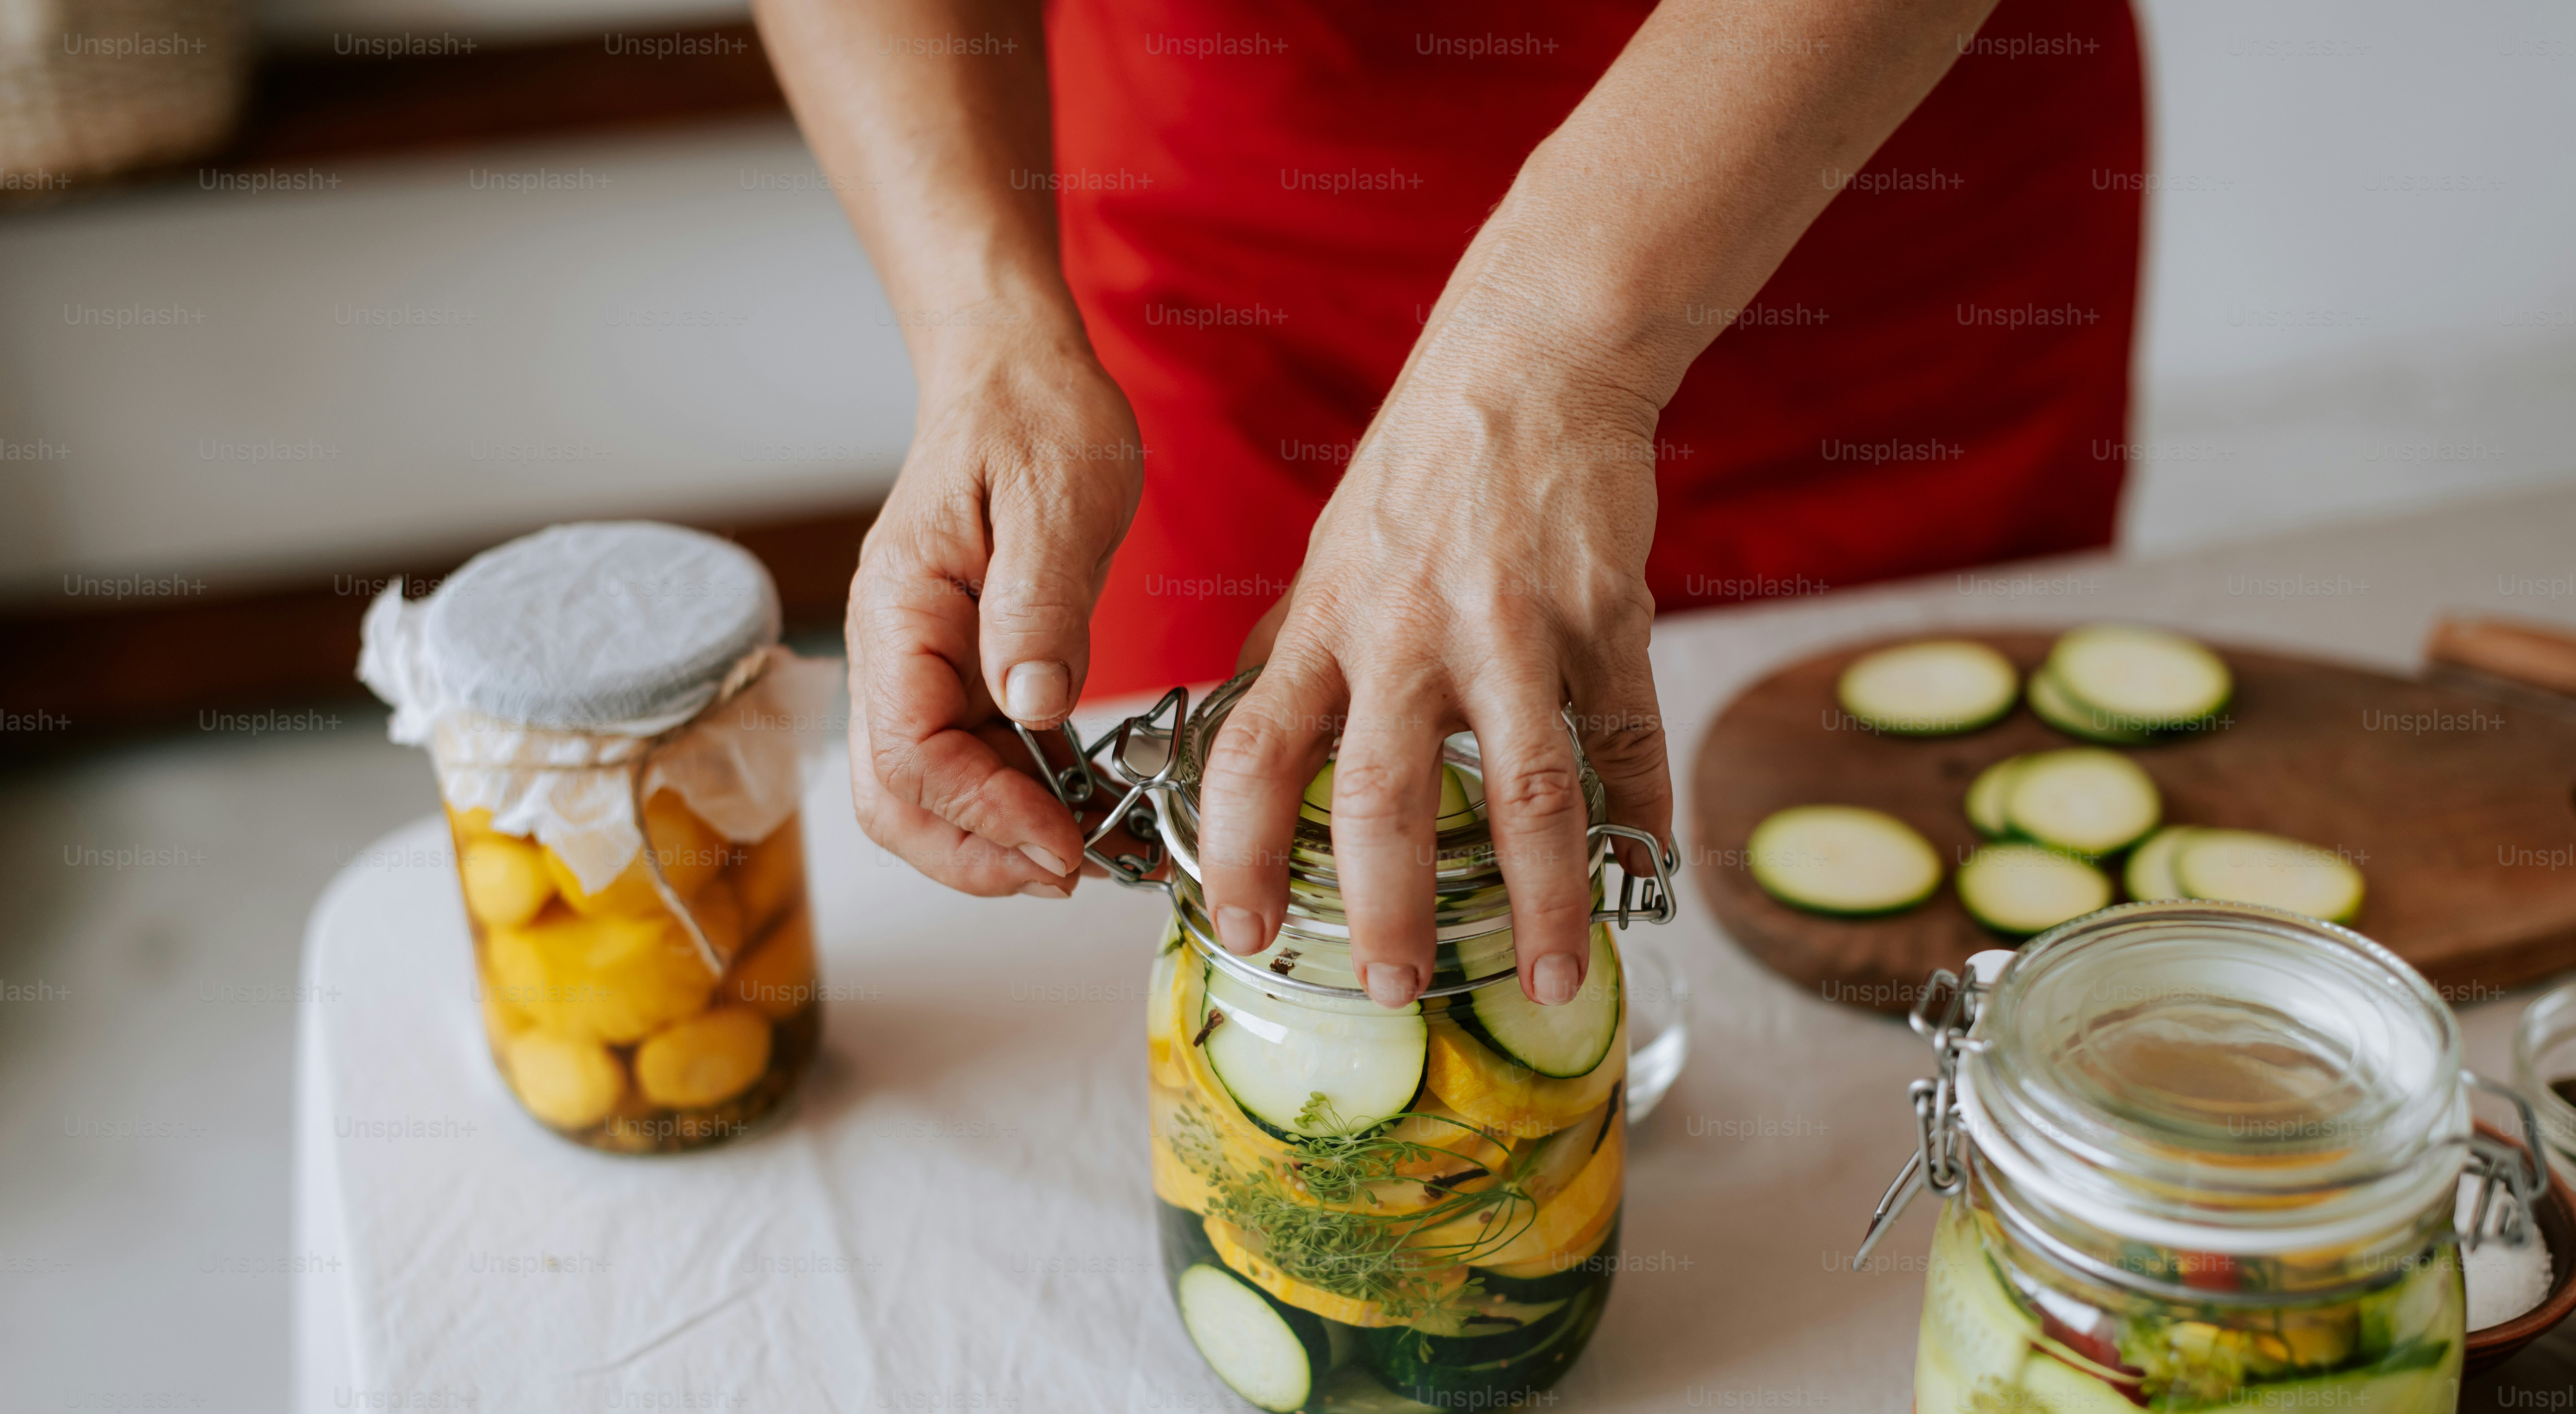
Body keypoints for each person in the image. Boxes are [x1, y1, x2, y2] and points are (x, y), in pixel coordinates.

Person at [759, 0, 2142, 1008]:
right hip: (1232, 255)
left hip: (1853, 187)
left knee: (1955, 934)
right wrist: (980, 325)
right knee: (1282, 845)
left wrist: (1554, 355)